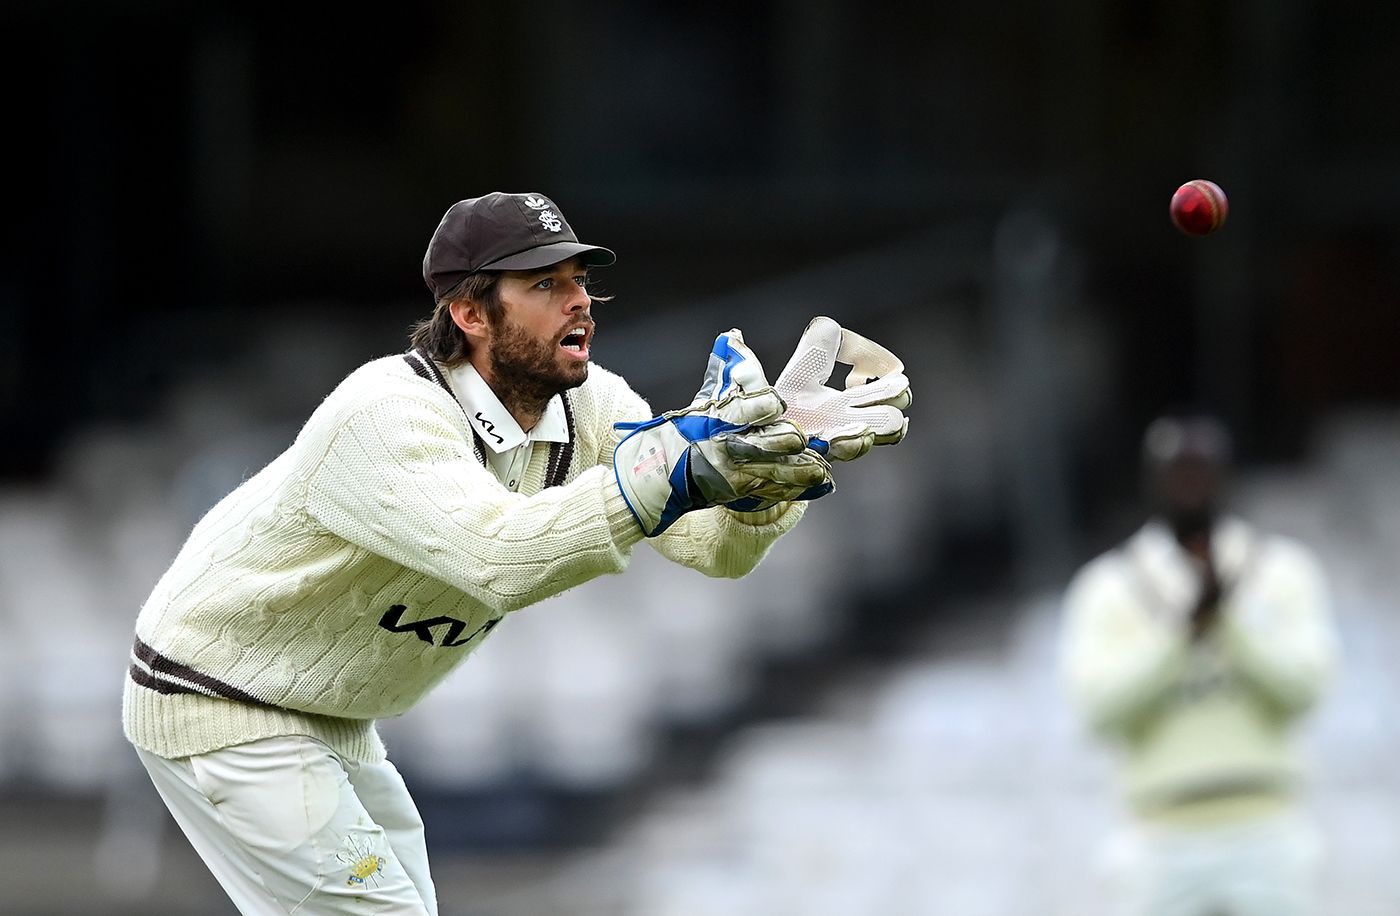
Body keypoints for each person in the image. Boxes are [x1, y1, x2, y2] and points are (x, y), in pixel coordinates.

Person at [121, 191, 912, 914]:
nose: (579, 301)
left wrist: (760, 483)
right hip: (219, 699)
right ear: (468, 312)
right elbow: (496, 557)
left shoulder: (591, 402)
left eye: (579, 279)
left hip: (332, 713)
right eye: (543, 284)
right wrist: (670, 470)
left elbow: (711, 548)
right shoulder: (385, 413)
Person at [1059, 414, 1340, 916]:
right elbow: (1098, 711)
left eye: (1202, 471)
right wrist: (1180, 640)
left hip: (1265, 828)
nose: (1191, 487)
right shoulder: (1109, 585)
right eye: (1177, 472)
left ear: (1228, 477)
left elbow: (1307, 690)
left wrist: (1230, 628)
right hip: (1160, 834)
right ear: (1152, 480)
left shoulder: (1281, 571)